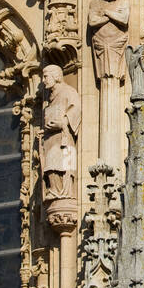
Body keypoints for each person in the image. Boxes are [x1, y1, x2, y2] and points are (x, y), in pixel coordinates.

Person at [41, 64, 81, 201]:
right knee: (50, 165)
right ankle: (54, 190)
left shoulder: (68, 92)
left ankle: (62, 192)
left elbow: (75, 110)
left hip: (64, 137)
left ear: (56, 77)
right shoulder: (49, 99)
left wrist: (62, 123)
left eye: (46, 76)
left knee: (58, 162)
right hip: (51, 139)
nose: (43, 80)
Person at [88, 0, 130, 81]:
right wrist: (114, 16)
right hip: (100, 42)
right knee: (104, 75)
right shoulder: (95, 3)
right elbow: (92, 22)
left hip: (118, 42)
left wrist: (106, 13)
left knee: (115, 74)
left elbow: (124, 19)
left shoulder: (123, 3)